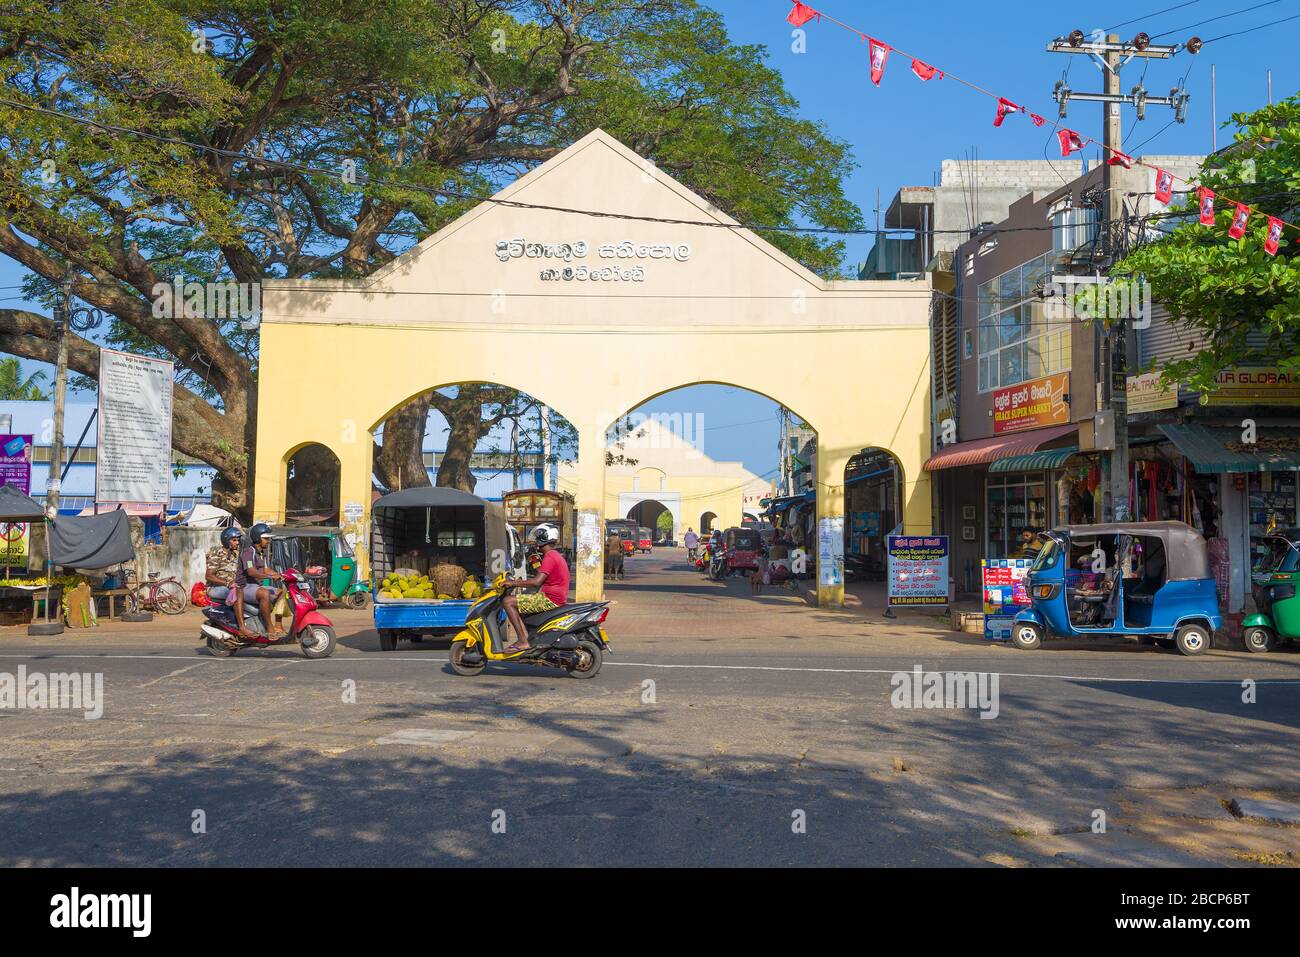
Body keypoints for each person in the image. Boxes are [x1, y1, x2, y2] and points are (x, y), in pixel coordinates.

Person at [503, 523, 570, 653]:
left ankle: (523, 641)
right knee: (519, 603)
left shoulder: (550, 557)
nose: (535, 540)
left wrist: (512, 583)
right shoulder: (555, 555)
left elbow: (536, 582)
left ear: (544, 537)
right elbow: (543, 576)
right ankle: (529, 637)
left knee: (508, 601)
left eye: (538, 536)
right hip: (554, 597)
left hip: (549, 599)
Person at [238, 523, 285, 638]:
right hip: (245, 586)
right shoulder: (248, 552)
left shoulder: (261, 553)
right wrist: (270, 577)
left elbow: (266, 569)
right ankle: (269, 627)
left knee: (282, 592)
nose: (268, 541)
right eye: (265, 538)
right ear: (257, 538)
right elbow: (251, 572)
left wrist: (281, 575)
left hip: (255, 586)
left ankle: (278, 624)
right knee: (265, 593)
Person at [204, 527, 252, 636]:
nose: (237, 543)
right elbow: (209, 576)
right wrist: (227, 583)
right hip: (215, 588)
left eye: (238, 540)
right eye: (234, 540)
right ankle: (242, 627)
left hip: (233, 586)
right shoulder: (216, 553)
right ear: (226, 540)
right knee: (237, 593)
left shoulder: (236, 554)